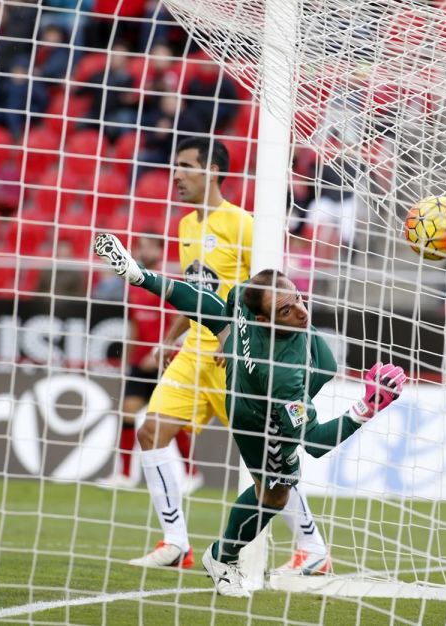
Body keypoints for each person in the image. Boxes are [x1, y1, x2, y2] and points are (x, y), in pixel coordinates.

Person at [94, 232, 406, 596]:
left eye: (299, 300)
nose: (302, 312)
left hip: (251, 381)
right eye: (287, 311)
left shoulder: (246, 294)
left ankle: (277, 551)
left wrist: (139, 276)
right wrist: (365, 408)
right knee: (275, 493)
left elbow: (204, 304)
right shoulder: (285, 375)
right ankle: (222, 556)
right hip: (260, 416)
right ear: (264, 318)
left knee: (269, 485)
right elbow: (317, 444)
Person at [125, 137, 335, 575]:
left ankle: (312, 547)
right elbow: (197, 291)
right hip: (192, 354)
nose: (176, 175)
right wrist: (171, 337)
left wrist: (230, 332)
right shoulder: (185, 226)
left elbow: (264, 290)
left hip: (235, 360)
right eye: (174, 166)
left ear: (213, 171)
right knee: (150, 433)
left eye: (185, 166)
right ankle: (175, 543)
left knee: (267, 464)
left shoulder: (242, 224)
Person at [95, 236, 202, 490]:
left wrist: (159, 350)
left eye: (148, 246)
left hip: (163, 360)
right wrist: (129, 356)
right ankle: (125, 474)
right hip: (139, 362)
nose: (143, 250)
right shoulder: (132, 282)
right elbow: (135, 323)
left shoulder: (166, 282)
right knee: (128, 410)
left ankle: (191, 473)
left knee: (169, 417)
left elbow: (182, 318)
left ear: (160, 249)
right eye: (140, 246)